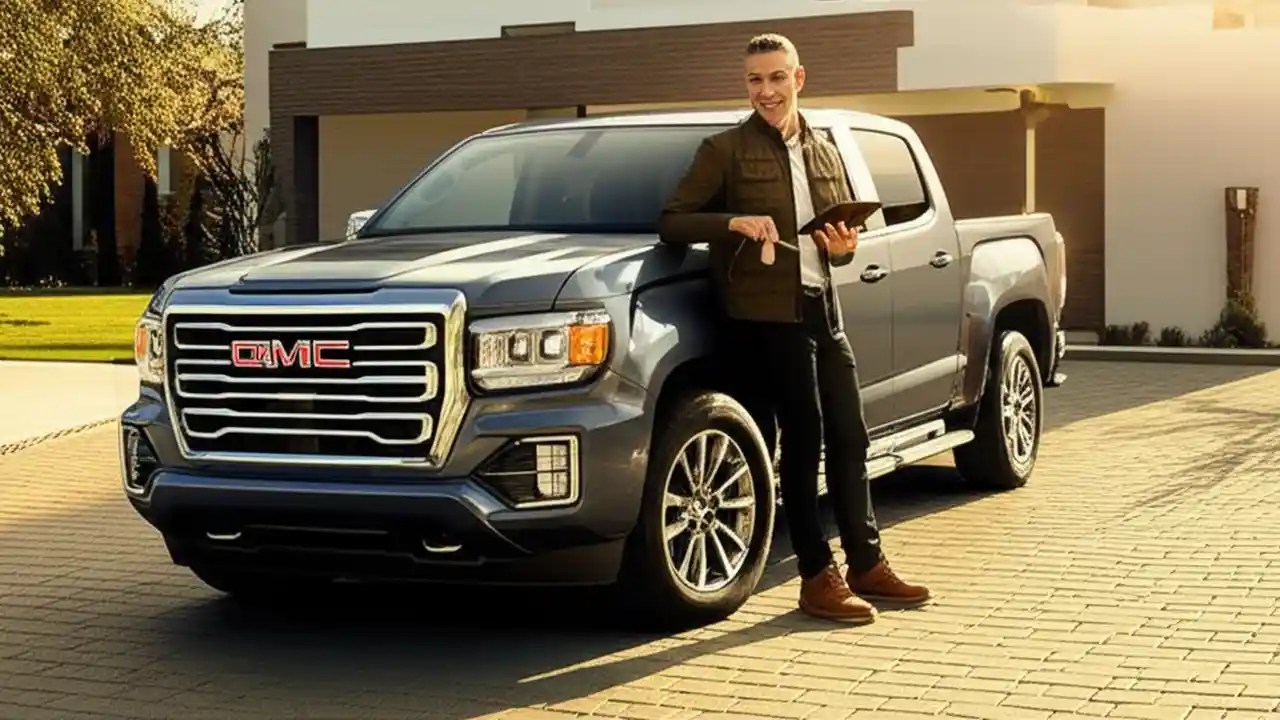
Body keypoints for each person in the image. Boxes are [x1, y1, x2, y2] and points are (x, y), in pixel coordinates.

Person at [657, 33, 931, 623]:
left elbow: (840, 248)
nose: (766, 91)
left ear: (798, 79)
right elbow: (672, 222)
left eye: (777, 78)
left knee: (850, 438)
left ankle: (867, 563)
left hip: (822, 309)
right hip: (766, 320)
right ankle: (815, 575)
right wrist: (733, 220)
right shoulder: (724, 150)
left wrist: (844, 247)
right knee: (803, 443)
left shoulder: (825, 151)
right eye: (756, 80)